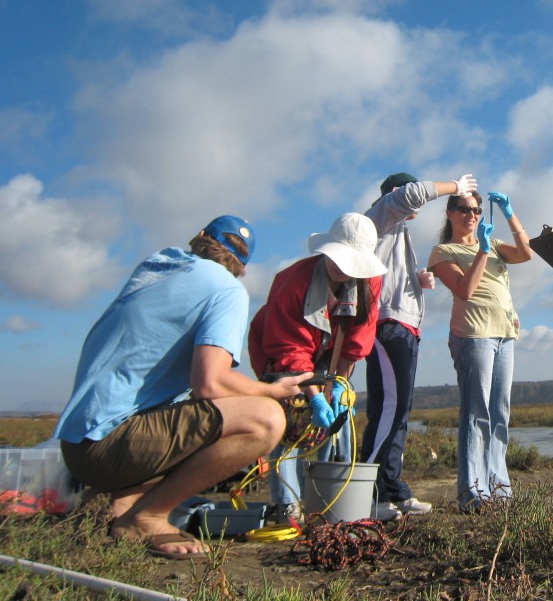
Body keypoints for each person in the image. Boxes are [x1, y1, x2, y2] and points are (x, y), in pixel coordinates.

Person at [54, 216, 310, 558]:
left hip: (78, 447)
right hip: (108, 449)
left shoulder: (156, 265)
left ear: (201, 236)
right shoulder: (227, 289)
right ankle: (148, 517)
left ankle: (115, 499)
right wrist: (272, 391)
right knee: (265, 418)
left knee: (195, 409)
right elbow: (210, 382)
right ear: (243, 268)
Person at [248, 212, 386, 521]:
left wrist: (339, 385)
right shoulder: (292, 282)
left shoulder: (370, 282)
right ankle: (286, 503)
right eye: (338, 258)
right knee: (291, 417)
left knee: (336, 417)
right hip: (279, 350)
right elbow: (290, 350)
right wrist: (314, 397)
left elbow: (355, 342)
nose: (342, 268)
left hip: (330, 351)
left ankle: (322, 497)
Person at [361, 172, 477, 521]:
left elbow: (390, 276)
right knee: (389, 409)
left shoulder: (397, 230)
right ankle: (372, 495)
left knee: (398, 411)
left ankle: (393, 488)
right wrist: (456, 187)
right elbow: (410, 195)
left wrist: (418, 280)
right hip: (388, 327)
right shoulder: (381, 216)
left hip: (405, 328)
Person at [427, 189, 533, 512]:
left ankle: (498, 489)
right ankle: (473, 494)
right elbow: (465, 290)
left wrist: (509, 214)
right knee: (476, 413)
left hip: (504, 335)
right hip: (473, 336)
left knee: (500, 413)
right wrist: (483, 251)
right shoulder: (443, 251)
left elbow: (526, 253)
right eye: (463, 209)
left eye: (476, 210)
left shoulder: (496, 243)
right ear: (450, 214)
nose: (471, 215)